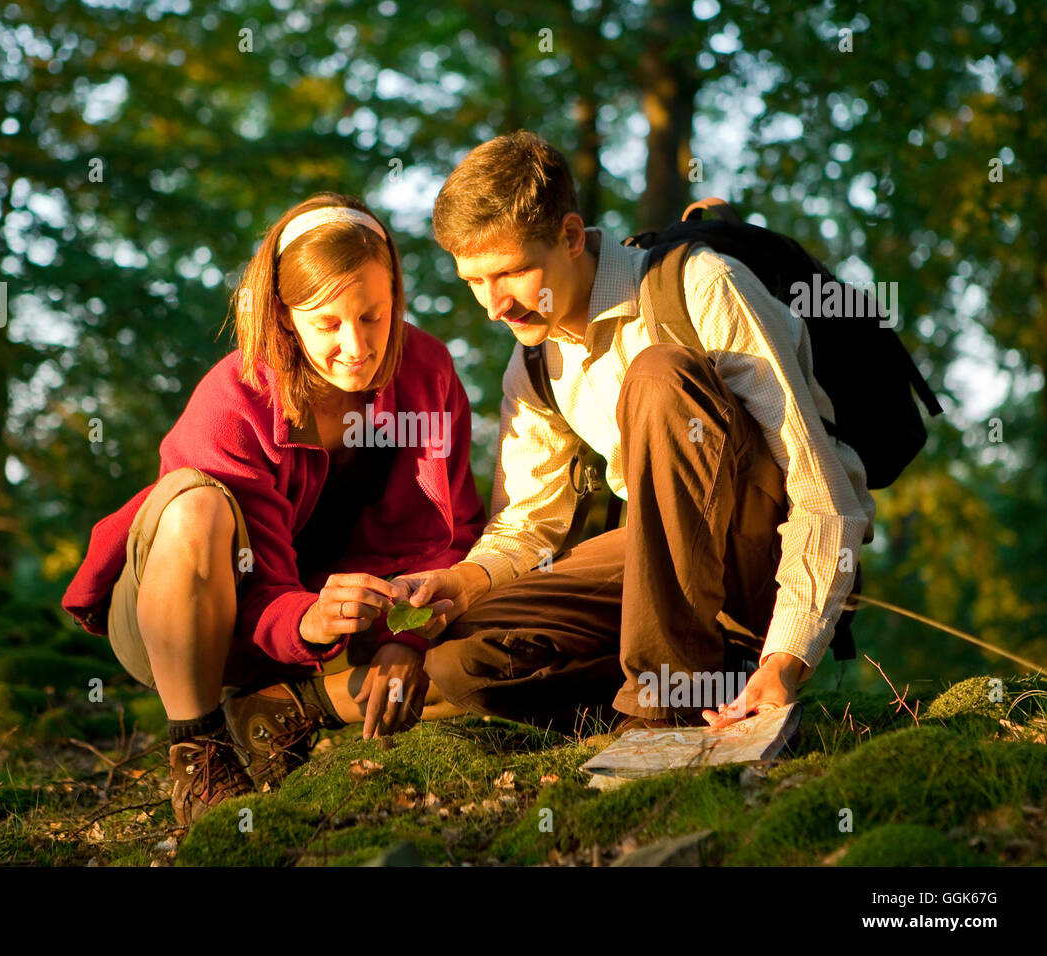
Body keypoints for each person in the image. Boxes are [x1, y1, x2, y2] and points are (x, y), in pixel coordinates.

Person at [390, 131, 874, 736]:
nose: (494, 307)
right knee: (466, 657)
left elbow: (823, 490)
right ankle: (703, 686)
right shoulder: (535, 363)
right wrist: (458, 583)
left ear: (570, 236)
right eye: (474, 281)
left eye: (510, 273)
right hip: (657, 572)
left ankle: (663, 707)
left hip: (758, 562)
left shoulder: (700, 286)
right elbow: (527, 525)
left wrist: (787, 658)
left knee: (659, 373)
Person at [62, 193, 485, 827]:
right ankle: (198, 750)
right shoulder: (234, 400)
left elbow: (447, 536)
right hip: (195, 616)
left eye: (374, 315)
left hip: (335, 630)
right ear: (286, 318)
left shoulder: (426, 371)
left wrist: (408, 635)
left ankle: (280, 711)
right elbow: (249, 581)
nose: (358, 345)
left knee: (514, 642)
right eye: (328, 324)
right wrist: (309, 620)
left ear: (396, 294)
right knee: (195, 507)